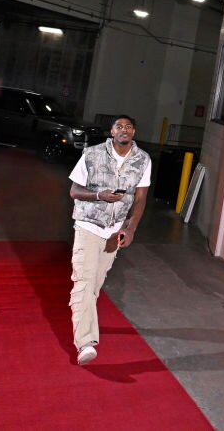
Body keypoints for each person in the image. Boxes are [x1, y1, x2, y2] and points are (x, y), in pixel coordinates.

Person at [66, 114, 151, 366]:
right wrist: (99, 195)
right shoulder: (92, 154)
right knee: (83, 282)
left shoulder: (142, 159)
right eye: (119, 126)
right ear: (112, 132)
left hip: (113, 231)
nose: (124, 129)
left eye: (129, 126)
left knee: (94, 285)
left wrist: (131, 228)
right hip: (87, 226)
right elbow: (74, 191)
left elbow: (140, 198)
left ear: (133, 132)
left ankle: (82, 317)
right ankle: (85, 343)